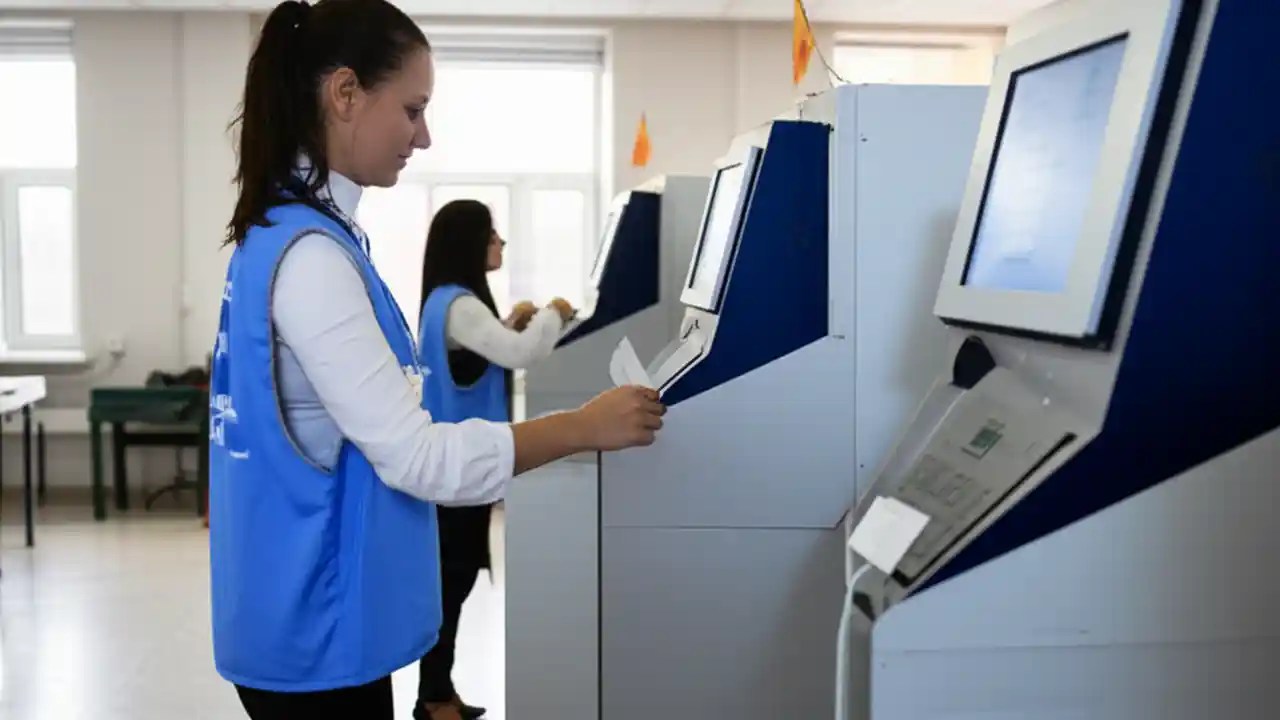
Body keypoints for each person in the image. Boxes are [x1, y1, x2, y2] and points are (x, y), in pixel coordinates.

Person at [208, 1, 665, 718]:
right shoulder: (313, 258)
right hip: (316, 628)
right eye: (413, 109)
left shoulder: (286, 238)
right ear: (346, 93)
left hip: (291, 608)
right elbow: (416, 458)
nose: (423, 137)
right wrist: (584, 426)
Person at [412, 199, 573, 720]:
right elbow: (519, 355)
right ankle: (433, 697)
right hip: (458, 468)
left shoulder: (447, 302)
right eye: (492, 235)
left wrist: (514, 323)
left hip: (456, 465)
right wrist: (554, 314)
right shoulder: (459, 305)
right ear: (469, 243)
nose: (500, 243)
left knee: (453, 582)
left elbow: (485, 351)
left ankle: (440, 690)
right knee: (451, 582)